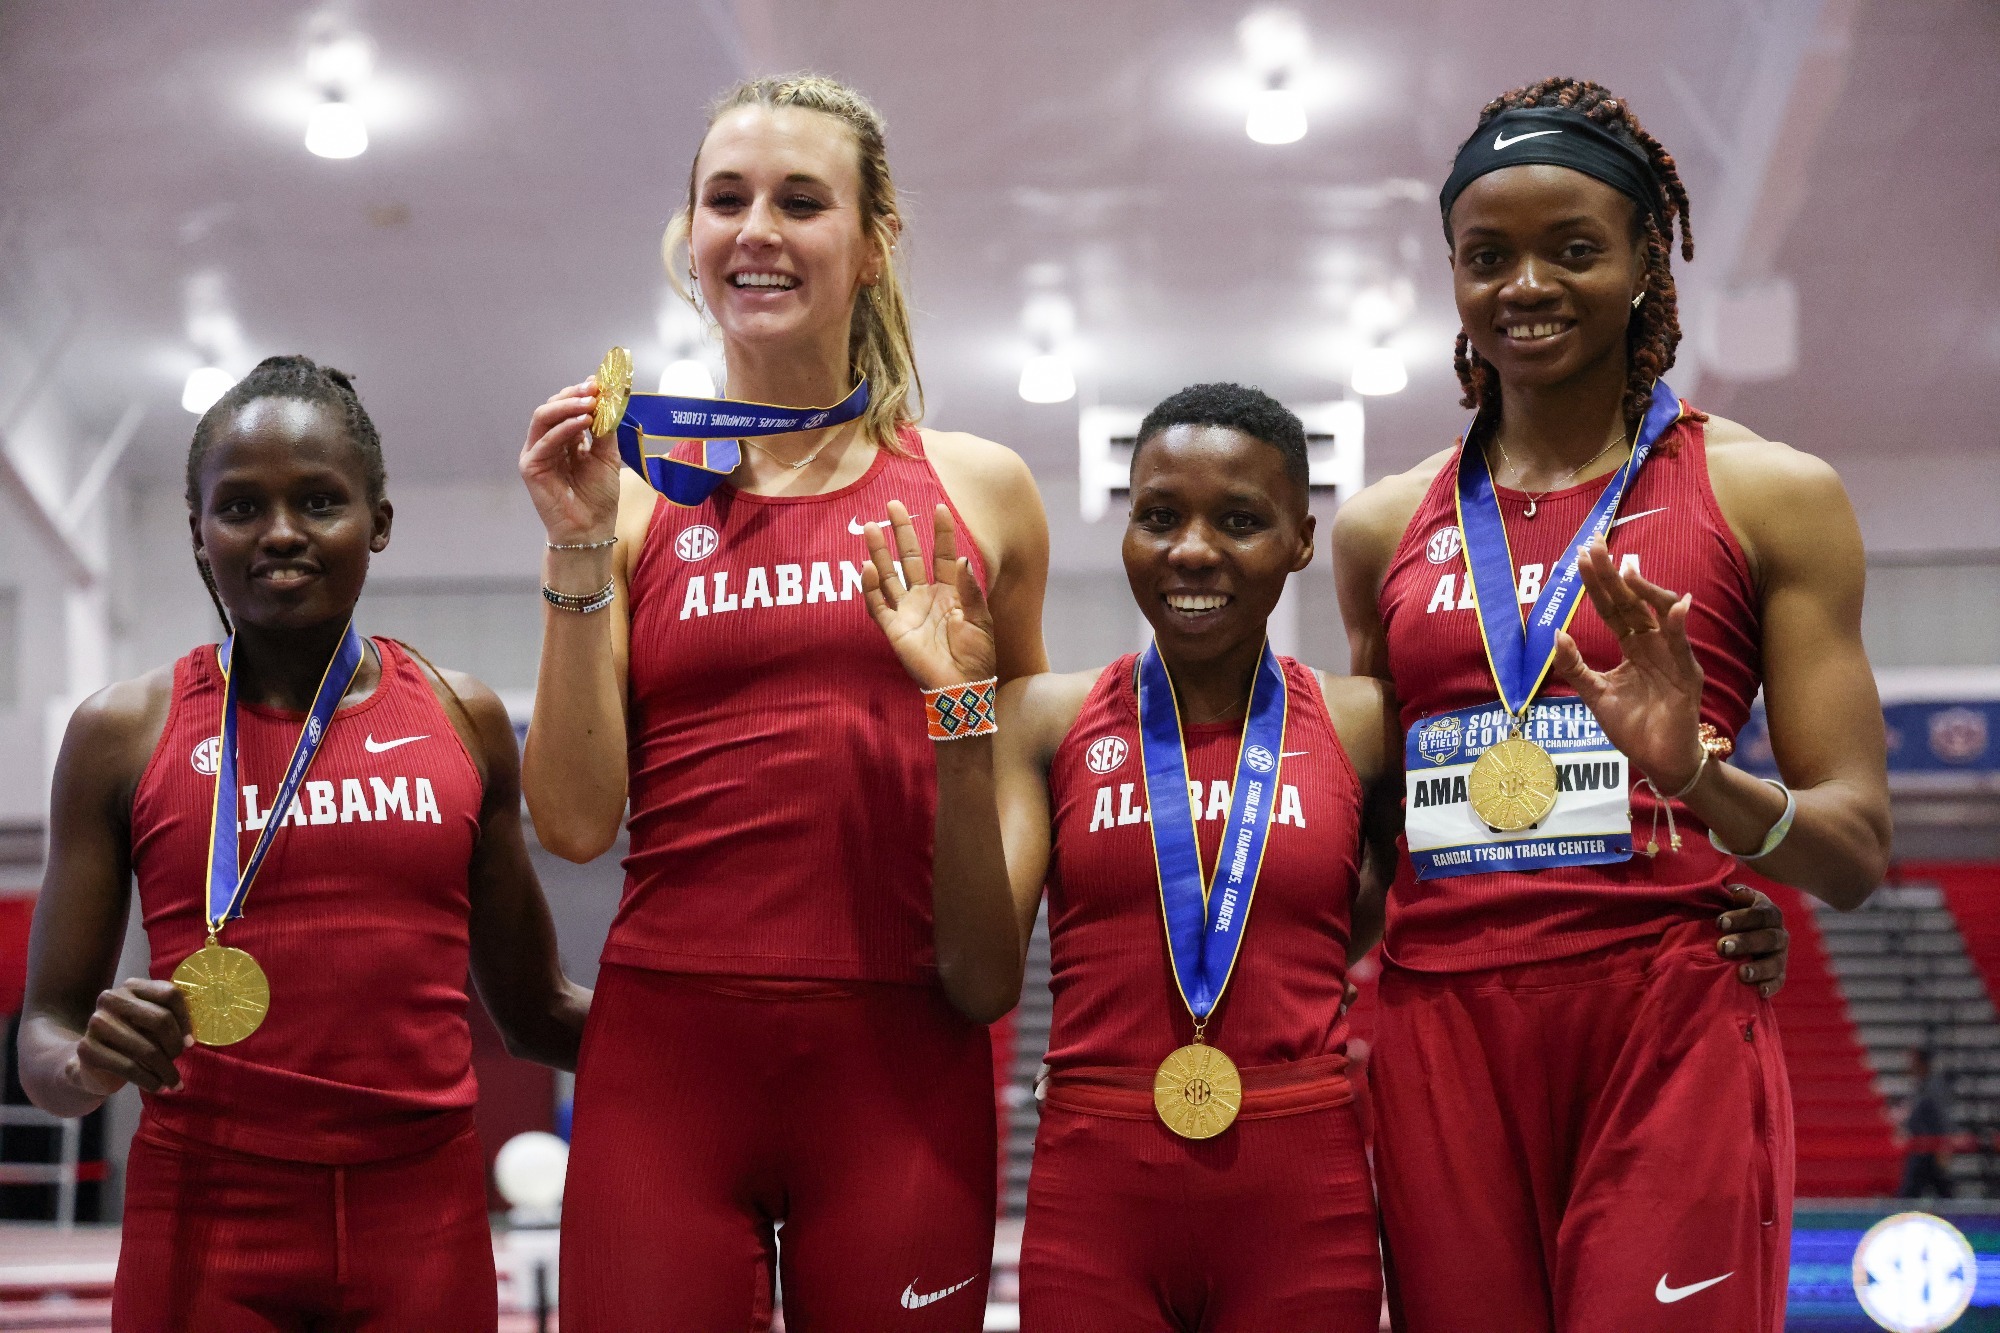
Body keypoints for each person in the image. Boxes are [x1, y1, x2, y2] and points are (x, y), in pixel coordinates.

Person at [862, 382, 1783, 1332]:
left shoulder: (1368, 723)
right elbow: (977, 983)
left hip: (1303, 1196)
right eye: (1160, 516)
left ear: (1302, 539)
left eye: (1240, 520)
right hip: (1094, 1197)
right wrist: (958, 716)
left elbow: (1501, 859)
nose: (1192, 548)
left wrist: (1702, 906)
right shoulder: (1042, 717)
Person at [1331, 77, 1886, 1331]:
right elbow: (1364, 836)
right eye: (1488, 257)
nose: (1524, 286)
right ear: (1454, 277)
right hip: (1435, 1037)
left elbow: (1852, 850)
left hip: (1665, 1019)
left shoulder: (1768, 495)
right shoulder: (1381, 528)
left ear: (1645, 259)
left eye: (1572, 249)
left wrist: (1697, 778)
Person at [517, 74, 1048, 1330]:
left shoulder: (979, 492)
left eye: (800, 201)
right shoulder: (632, 494)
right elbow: (578, 824)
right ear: (690, 239)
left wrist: (983, 955)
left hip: (901, 1058)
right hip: (667, 1063)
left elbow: (1016, 768)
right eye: (725, 199)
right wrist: (578, 548)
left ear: (872, 247)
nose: (755, 229)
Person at [18, 355, 588, 1332]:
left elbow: (535, 1013)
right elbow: (45, 1037)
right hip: (205, 1214)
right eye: (239, 507)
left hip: (422, 1216)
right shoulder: (122, 730)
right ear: (198, 537)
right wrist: (87, 1066)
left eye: (319, 500)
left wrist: (717, 1024)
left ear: (379, 522)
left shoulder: (464, 716)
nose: (280, 533)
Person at [1900, 1047, 1955, 1198]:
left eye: (1913, 1061)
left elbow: (1942, 1116)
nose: (1909, 1065)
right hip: (1921, 1147)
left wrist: (1943, 1146)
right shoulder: (1920, 1085)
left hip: (1931, 1147)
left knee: (1936, 1188)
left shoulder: (1934, 1087)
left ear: (1922, 1063)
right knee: (1932, 1188)